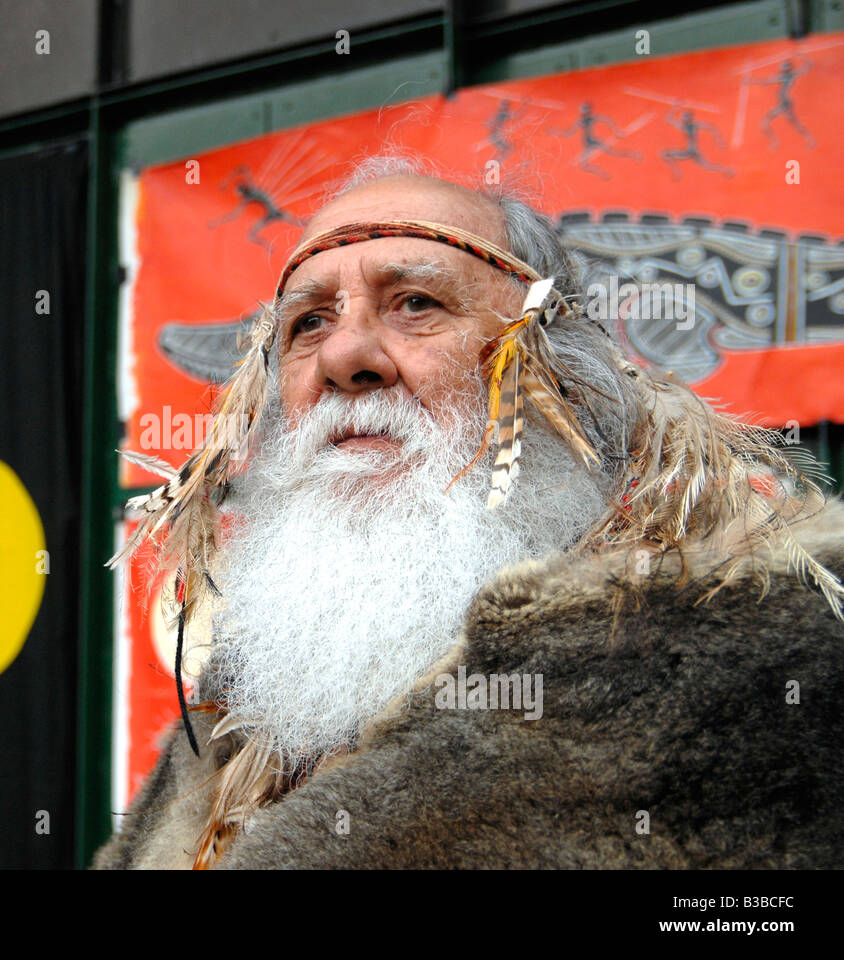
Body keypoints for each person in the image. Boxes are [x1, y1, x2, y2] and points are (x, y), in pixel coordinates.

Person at [94, 156, 844, 869]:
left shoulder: (748, 673)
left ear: (560, 378)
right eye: (309, 323)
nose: (344, 355)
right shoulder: (219, 744)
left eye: (416, 303)